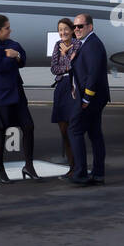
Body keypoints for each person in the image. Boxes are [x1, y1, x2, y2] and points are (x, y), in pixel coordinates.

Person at [0, 13, 41, 183]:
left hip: (17, 95)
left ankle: (28, 166)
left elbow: (23, 60)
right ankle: (0, 170)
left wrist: (16, 55)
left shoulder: (12, 45)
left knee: (28, 127)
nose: (10, 30)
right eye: (7, 28)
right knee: (1, 132)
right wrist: (12, 57)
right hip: (0, 96)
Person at [67, 13, 110, 187]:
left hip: (91, 98)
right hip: (95, 97)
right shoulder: (87, 43)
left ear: (90, 27)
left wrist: (86, 98)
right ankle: (98, 174)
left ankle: (80, 173)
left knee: (75, 130)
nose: (76, 29)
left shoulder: (92, 45)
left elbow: (92, 75)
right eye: (74, 26)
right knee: (94, 134)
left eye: (80, 26)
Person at [49, 17, 80, 178]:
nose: (63, 32)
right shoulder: (56, 44)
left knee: (73, 129)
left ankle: (78, 167)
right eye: (60, 30)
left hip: (73, 87)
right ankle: (72, 166)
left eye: (65, 29)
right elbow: (54, 68)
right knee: (63, 130)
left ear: (72, 30)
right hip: (61, 87)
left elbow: (73, 66)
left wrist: (65, 54)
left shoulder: (77, 45)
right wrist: (66, 60)